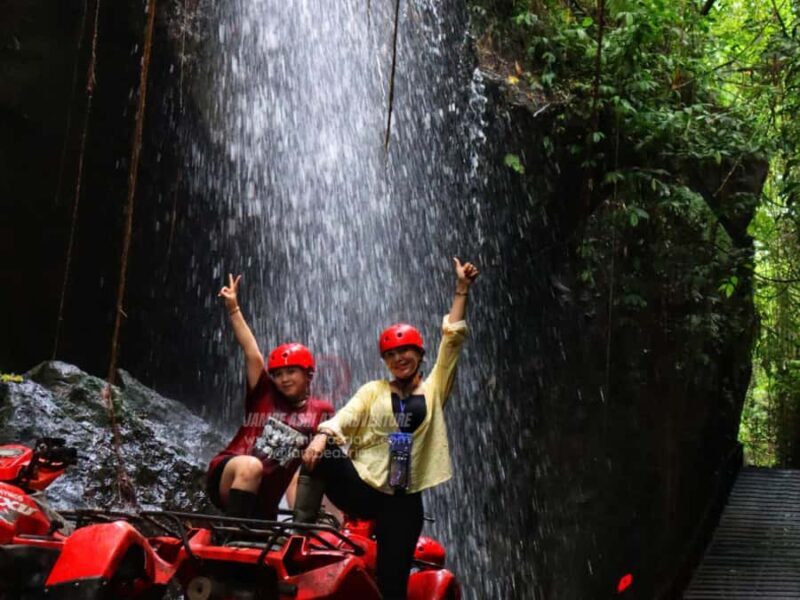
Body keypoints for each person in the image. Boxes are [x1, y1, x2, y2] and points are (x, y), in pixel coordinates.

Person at [296, 257, 479, 599]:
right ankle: (299, 534)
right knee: (323, 449)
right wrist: (322, 435)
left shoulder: (435, 388)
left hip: (403, 501)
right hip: (364, 487)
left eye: (405, 351)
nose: (399, 358)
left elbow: (452, 340)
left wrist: (461, 289)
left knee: (392, 587)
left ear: (420, 353)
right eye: (391, 354)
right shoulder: (373, 390)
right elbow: (345, 417)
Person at [206, 274, 334, 520]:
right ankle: (231, 534)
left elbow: (319, 455)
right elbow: (252, 354)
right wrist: (233, 309)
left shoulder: (321, 409)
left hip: (264, 502)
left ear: (308, 375)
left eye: (291, 372)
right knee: (251, 466)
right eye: (278, 374)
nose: (283, 379)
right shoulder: (264, 392)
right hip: (230, 473)